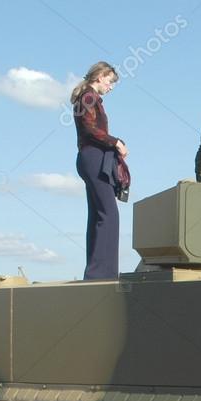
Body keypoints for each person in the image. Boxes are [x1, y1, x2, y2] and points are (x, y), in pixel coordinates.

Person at [72, 61, 128, 280]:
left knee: (97, 214)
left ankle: (96, 272)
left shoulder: (86, 97)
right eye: (110, 81)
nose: (111, 86)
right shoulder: (88, 97)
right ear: (100, 76)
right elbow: (89, 128)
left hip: (90, 157)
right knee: (109, 214)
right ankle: (103, 273)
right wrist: (116, 142)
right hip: (94, 156)